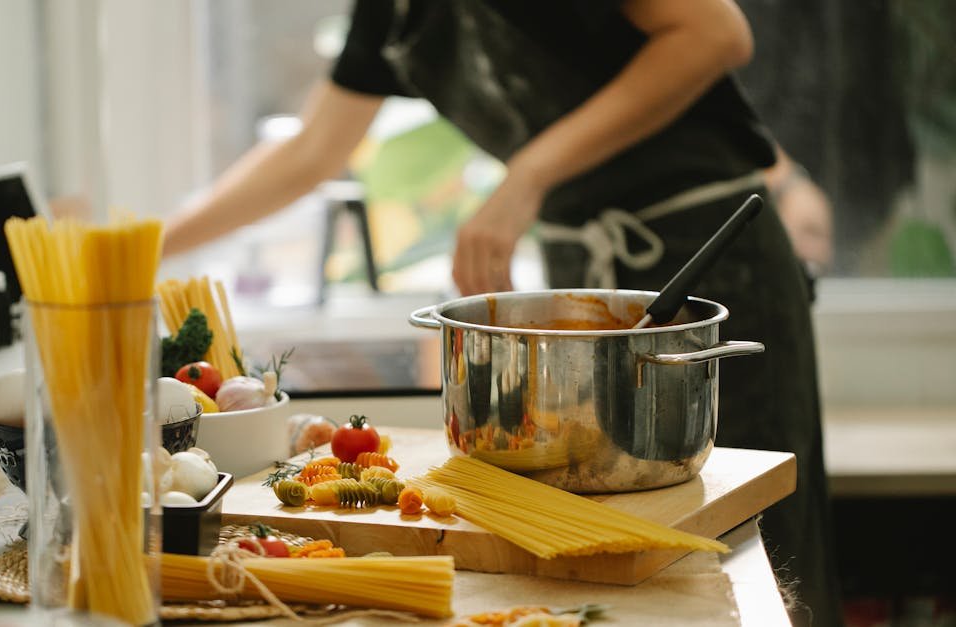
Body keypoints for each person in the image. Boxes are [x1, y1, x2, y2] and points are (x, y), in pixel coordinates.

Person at [165, 2, 839, 625]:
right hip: (586, 270)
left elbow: (716, 32)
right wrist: (149, 247)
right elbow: (313, 151)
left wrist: (527, 177)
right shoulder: (392, 9)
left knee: (760, 558)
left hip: (711, 257)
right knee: (627, 568)